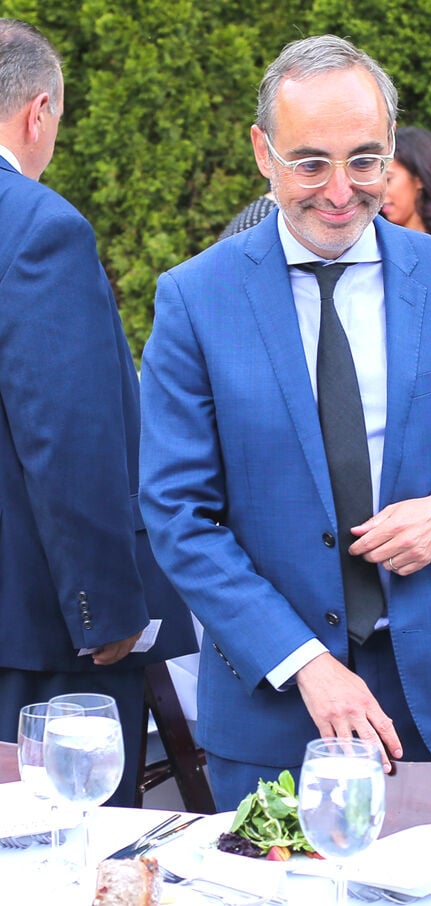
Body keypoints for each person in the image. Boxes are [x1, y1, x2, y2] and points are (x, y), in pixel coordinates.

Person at [138, 34, 431, 809]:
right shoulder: (195, 299)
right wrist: (303, 661)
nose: (338, 189)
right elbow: (178, 514)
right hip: (272, 711)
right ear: (263, 153)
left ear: (391, 151)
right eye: (309, 162)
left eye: (363, 160)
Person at [0, 19, 196, 806]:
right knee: (66, 855)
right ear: (36, 110)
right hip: (33, 633)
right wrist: (107, 611)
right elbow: (67, 438)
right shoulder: (35, 228)